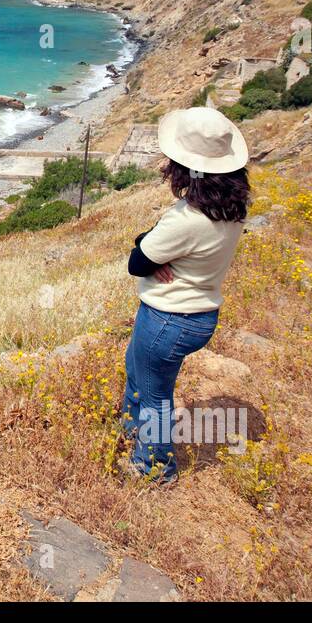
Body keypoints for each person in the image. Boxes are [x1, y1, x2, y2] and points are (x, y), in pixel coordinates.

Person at [122, 106, 250, 485]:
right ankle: (130, 430)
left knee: (155, 398)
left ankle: (155, 469)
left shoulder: (185, 219)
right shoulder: (233, 209)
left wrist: (150, 248)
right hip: (200, 316)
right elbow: (147, 250)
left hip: (167, 320)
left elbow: (136, 260)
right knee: (140, 376)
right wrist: (151, 248)